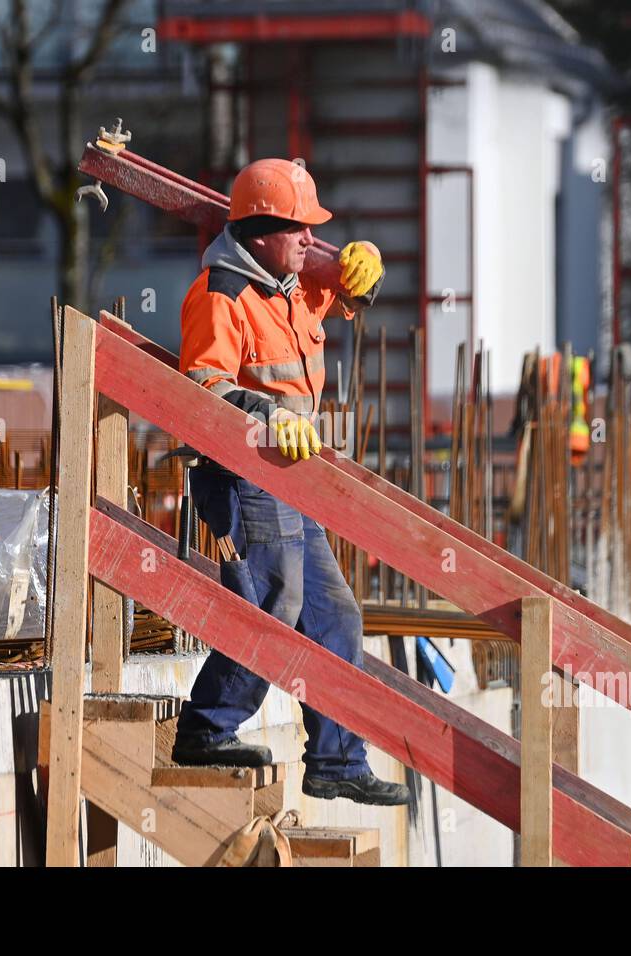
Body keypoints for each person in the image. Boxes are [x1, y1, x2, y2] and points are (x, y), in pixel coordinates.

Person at [170, 158, 409, 806]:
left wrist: (365, 270)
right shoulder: (222, 294)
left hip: (289, 477)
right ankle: (206, 729)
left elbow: (347, 289)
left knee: (336, 615)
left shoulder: (290, 281)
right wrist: (267, 413)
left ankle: (335, 760)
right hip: (242, 476)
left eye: (313, 230)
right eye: (299, 229)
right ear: (260, 231)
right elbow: (202, 386)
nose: (310, 240)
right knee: (273, 603)